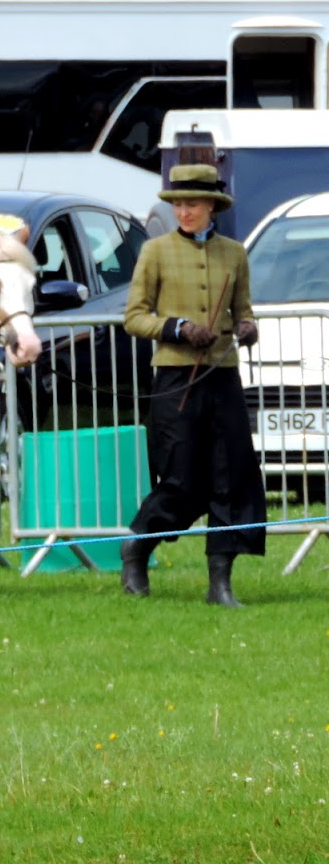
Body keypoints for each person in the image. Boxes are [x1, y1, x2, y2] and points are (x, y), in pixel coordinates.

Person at [119, 163, 265, 607]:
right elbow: (134, 317)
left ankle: (219, 583)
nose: (184, 211)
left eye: (193, 204)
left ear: (211, 207)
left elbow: (245, 310)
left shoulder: (235, 254)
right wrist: (177, 328)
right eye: (178, 203)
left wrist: (247, 327)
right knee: (181, 478)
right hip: (176, 379)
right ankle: (138, 546)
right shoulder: (155, 252)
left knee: (231, 475)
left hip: (222, 377)